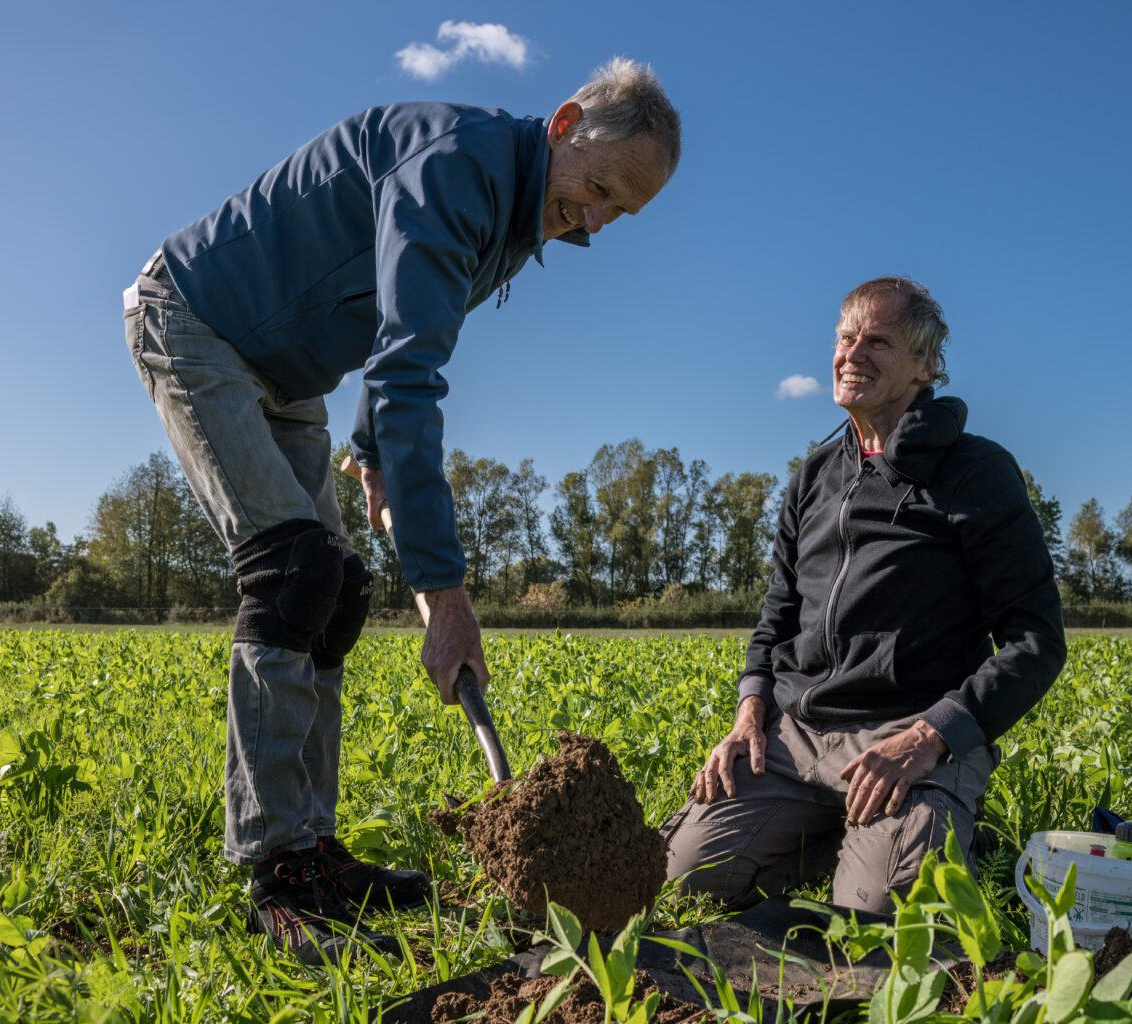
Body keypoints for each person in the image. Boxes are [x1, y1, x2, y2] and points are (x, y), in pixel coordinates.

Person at [121, 60, 680, 961]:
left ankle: (312, 849)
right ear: (567, 124)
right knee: (292, 573)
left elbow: (398, 343)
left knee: (337, 588)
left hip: (290, 373)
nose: (600, 220)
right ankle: (274, 876)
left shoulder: (520, 210)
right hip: (197, 322)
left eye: (624, 213)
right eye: (601, 189)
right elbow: (410, 373)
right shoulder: (460, 168)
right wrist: (445, 593)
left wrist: (373, 450)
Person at [662, 277, 1065, 916]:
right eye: (846, 337)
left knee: (878, 914)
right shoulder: (814, 477)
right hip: (797, 737)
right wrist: (749, 716)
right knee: (685, 877)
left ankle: (929, 817)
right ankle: (833, 831)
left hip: (907, 733)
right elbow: (776, 619)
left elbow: (1034, 641)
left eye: (878, 341)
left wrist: (931, 736)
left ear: (926, 365)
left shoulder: (975, 471)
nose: (853, 354)